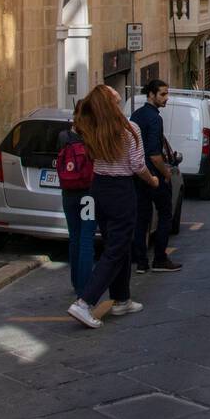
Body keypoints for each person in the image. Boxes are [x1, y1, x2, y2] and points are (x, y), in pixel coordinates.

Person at [67, 85, 158, 330]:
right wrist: (153, 180)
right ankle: (85, 302)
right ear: (110, 102)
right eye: (112, 93)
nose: (117, 93)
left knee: (117, 244)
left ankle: (122, 298)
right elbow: (138, 165)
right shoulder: (129, 129)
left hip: (99, 189)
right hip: (120, 191)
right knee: (116, 249)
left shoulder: (90, 128)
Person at [131, 79, 182, 274]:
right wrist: (166, 172)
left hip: (138, 175)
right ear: (151, 95)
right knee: (165, 214)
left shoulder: (136, 115)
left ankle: (141, 261)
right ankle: (160, 258)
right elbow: (154, 154)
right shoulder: (154, 119)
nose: (166, 98)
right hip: (153, 175)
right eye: (162, 94)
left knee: (141, 218)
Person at [57, 101, 96, 298]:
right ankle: (84, 286)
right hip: (88, 194)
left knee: (74, 237)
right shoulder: (93, 138)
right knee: (87, 237)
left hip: (68, 193)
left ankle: (75, 282)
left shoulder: (64, 136)